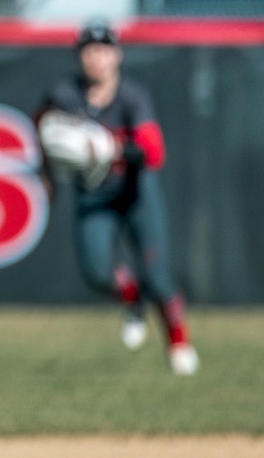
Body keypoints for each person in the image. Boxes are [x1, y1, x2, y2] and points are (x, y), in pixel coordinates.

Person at [35, 21, 199, 376]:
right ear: (80, 56)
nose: (97, 58)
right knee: (97, 272)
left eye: (104, 50)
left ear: (117, 55)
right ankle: (132, 300)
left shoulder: (131, 96)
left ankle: (178, 342)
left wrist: (112, 148)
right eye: (90, 50)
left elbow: (154, 153)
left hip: (136, 192)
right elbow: (42, 128)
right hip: (93, 194)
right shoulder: (65, 95)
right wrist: (47, 174)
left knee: (157, 276)